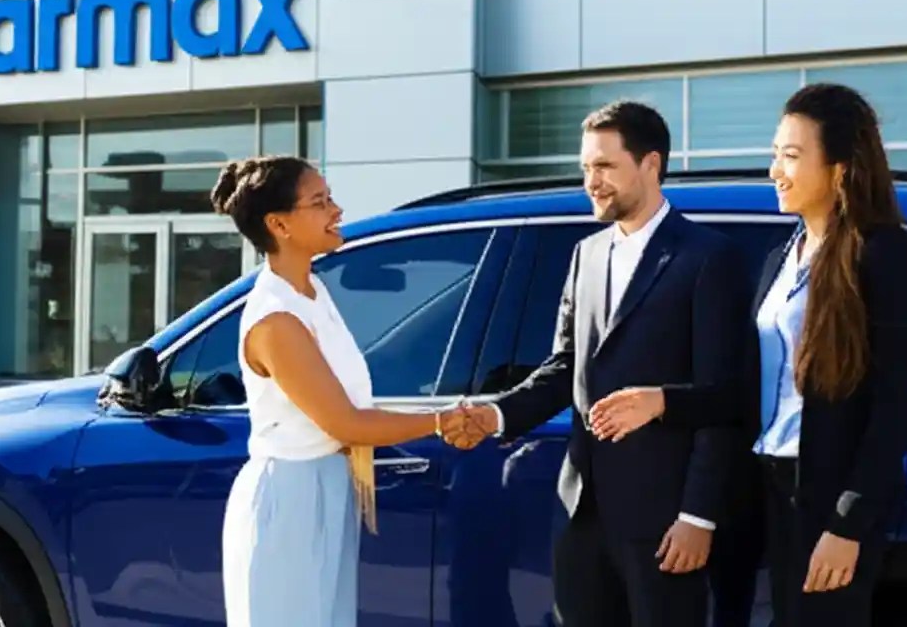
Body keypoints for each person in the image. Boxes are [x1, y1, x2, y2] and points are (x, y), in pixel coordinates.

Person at [589, 83, 907, 627]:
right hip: (755, 492)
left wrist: (847, 525)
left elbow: (892, 408)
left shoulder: (882, 253)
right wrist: (663, 402)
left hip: (822, 499)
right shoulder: (780, 258)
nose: (775, 171)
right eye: (775, 155)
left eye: (790, 156)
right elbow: (746, 390)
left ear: (840, 167)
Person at [443, 100, 752, 627]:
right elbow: (567, 367)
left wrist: (697, 516)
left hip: (666, 521)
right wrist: (496, 414)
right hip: (582, 514)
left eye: (605, 166)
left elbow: (725, 396)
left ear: (650, 164)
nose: (592, 181)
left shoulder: (708, 257)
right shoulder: (585, 254)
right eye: (587, 167)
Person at [211, 155, 463, 627]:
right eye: (320, 202)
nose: (337, 210)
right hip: (289, 500)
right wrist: (440, 421)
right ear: (279, 224)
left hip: (327, 487)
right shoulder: (276, 319)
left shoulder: (311, 292)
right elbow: (346, 422)